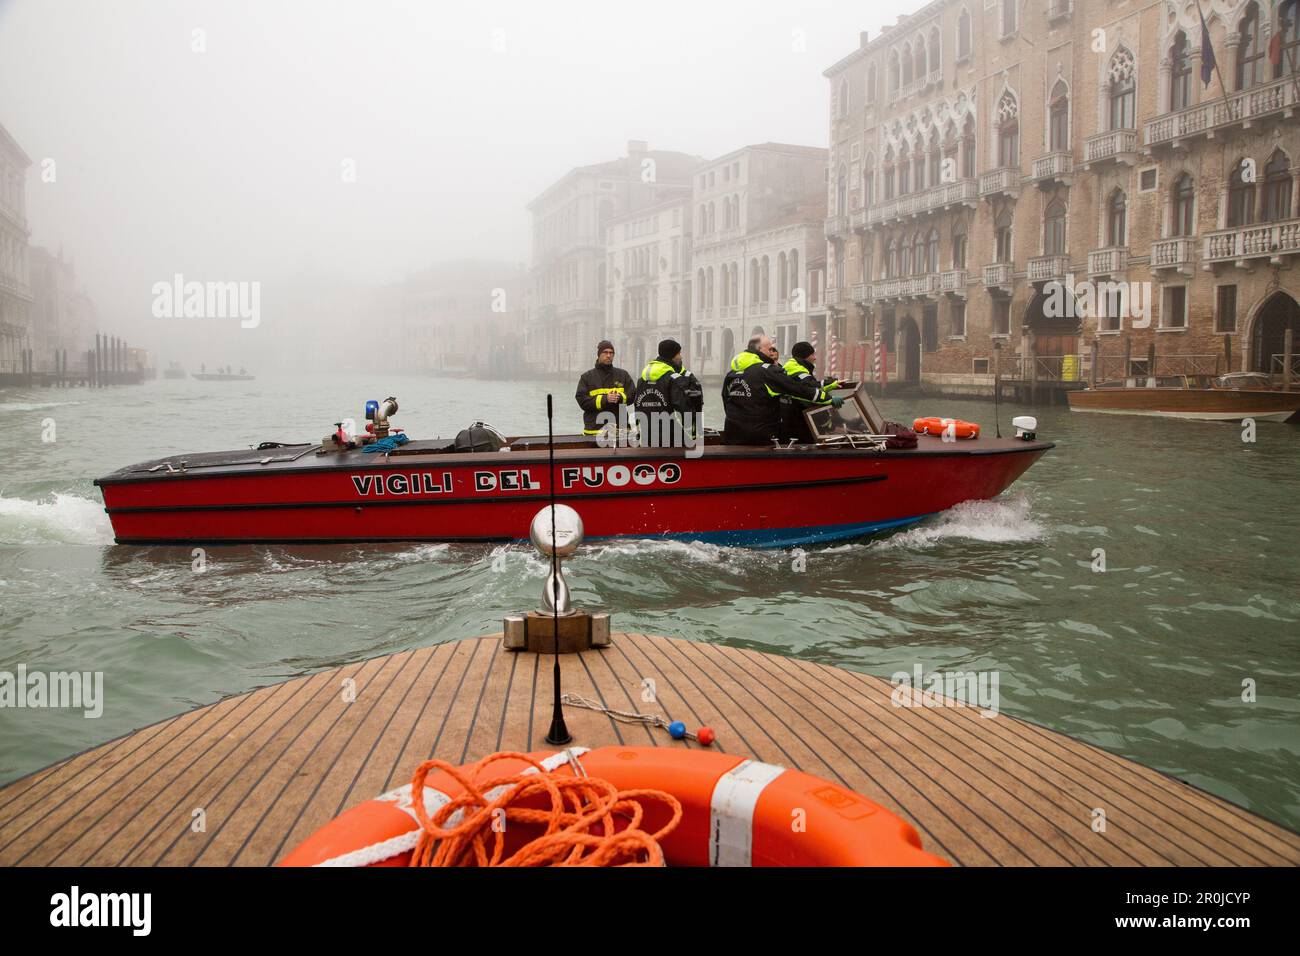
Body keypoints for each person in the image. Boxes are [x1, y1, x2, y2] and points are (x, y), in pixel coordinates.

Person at [721, 335, 840, 445]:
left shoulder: (731, 374)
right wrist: (829, 399)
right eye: (769, 349)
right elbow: (797, 389)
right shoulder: (766, 372)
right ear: (760, 349)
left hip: (733, 437)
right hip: (760, 439)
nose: (771, 352)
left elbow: (726, 401)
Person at [635, 339, 704, 446]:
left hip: (647, 436)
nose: (680, 357)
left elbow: (637, 407)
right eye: (679, 354)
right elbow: (684, 408)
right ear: (671, 355)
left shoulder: (642, 379)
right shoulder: (672, 378)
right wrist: (695, 433)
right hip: (670, 437)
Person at [780, 341, 841, 443]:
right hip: (799, 425)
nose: (814, 358)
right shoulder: (799, 373)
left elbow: (812, 386)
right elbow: (810, 391)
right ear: (805, 356)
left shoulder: (791, 368)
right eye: (812, 354)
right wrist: (830, 399)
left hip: (791, 422)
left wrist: (832, 384)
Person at [575, 340, 636, 436]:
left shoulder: (623, 375)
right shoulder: (587, 377)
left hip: (621, 431)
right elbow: (582, 401)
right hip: (595, 431)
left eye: (611, 353)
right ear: (599, 355)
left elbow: (633, 395)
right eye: (605, 352)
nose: (608, 355)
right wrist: (605, 399)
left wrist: (620, 397)